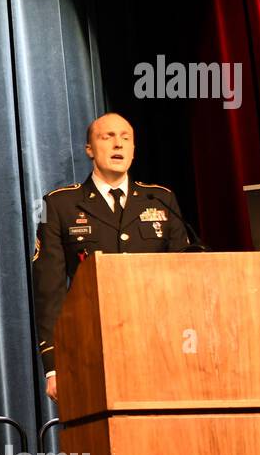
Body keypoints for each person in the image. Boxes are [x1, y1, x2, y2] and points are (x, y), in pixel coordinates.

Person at [32, 112, 192, 402]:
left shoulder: (161, 199)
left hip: (161, 345)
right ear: (89, 149)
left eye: (125, 138)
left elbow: (185, 276)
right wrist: (53, 367)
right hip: (93, 343)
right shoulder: (57, 204)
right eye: (107, 137)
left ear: (133, 150)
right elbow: (49, 290)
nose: (118, 144)